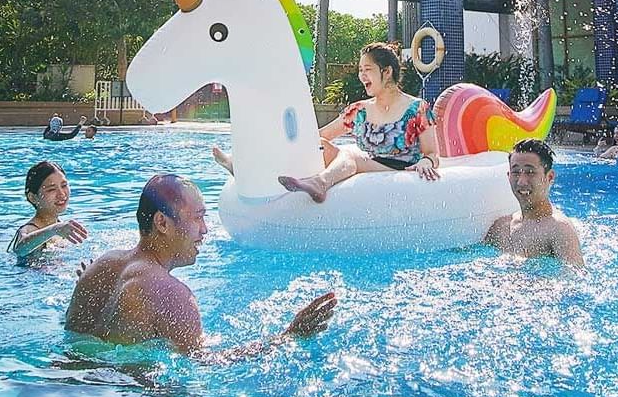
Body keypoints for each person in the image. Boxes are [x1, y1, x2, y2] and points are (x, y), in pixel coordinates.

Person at [65, 174, 338, 355]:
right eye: (197, 218)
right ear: (162, 223)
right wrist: (289, 336)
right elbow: (206, 363)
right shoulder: (169, 293)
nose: (205, 230)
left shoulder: (100, 266)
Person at [279, 43, 440, 202]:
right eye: (360, 70)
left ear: (387, 71)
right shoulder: (359, 111)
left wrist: (427, 161)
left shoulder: (417, 108)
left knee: (352, 155)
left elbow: (432, 153)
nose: (362, 75)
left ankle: (320, 183)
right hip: (364, 165)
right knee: (319, 145)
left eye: (367, 69)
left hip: (399, 171)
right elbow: (321, 136)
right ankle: (293, 187)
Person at [485, 140, 584, 267]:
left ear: (549, 177)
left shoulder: (558, 230)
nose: (521, 181)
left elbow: (574, 279)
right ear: (508, 176)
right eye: (516, 173)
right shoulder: (500, 228)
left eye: (530, 172)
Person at [7, 161, 90, 259]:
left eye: (64, 185)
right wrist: (55, 229)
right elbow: (20, 249)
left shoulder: (64, 228)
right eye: (51, 189)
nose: (62, 194)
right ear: (33, 198)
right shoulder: (30, 229)